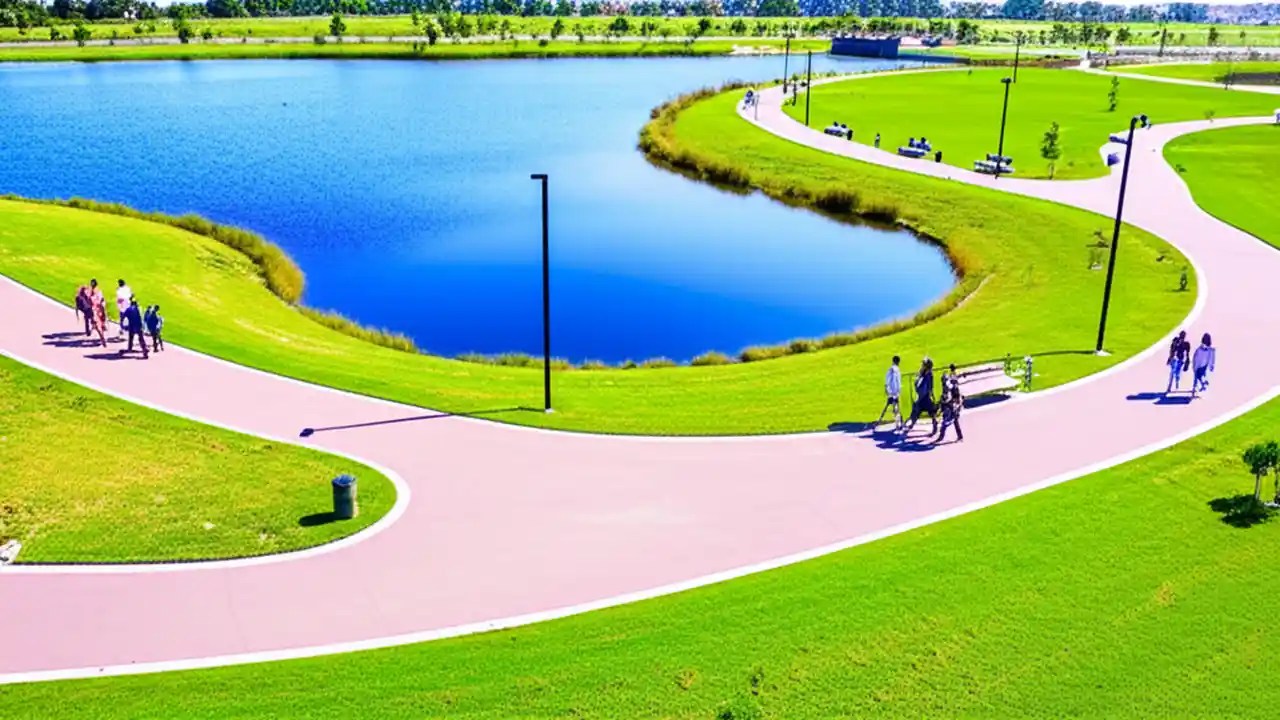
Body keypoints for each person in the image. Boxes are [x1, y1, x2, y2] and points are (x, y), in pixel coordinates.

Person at [906, 358, 938, 436]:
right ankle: (912, 424)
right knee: (915, 411)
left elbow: (929, 387)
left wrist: (931, 395)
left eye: (923, 364)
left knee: (931, 412)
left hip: (925, 397)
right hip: (921, 396)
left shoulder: (929, 375)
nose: (922, 366)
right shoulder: (923, 373)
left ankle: (935, 426)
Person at [935, 364, 964, 443]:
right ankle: (959, 436)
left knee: (947, 421)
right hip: (951, 404)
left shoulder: (949, 386)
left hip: (951, 404)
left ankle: (942, 436)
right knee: (954, 420)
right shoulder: (950, 382)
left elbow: (950, 395)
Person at [876, 355, 903, 432]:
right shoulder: (894, 370)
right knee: (896, 407)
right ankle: (898, 423)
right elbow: (894, 381)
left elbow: (889, 380)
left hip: (893, 392)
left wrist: (888, 389)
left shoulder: (893, 369)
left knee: (895, 407)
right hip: (894, 391)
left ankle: (898, 423)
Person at [1191, 332, 1215, 397]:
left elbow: (1196, 357)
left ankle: (1201, 385)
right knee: (1202, 374)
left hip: (1199, 365)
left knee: (1198, 376)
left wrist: (1194, 365)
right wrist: (1211, 365)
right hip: (1205, 364)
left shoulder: (1200, 348)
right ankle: (1202, 384)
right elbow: (1212, 357)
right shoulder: (1211, 349)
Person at [88, 279, 107, 348]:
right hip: (94, 311)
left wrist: (103, 311)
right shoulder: (91, 292)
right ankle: (103, 340)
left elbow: (102, 301)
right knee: (97, 326)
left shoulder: (98, 292)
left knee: (98, 327)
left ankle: (103, 341)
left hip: (98, 311)